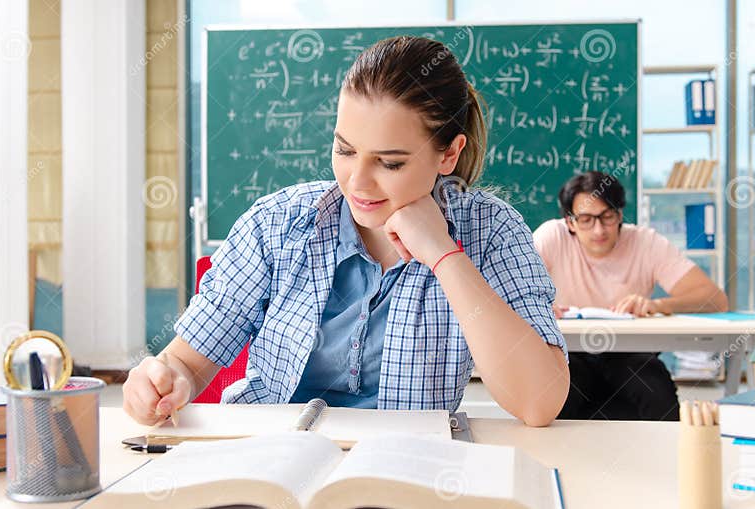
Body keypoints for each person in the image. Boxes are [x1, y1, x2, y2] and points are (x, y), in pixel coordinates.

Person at [123, 36, 569, 427]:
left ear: (448, 155)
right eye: (345, 149)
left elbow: (538, 403)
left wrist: (444, 255)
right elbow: (185, 361)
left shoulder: (491, 230)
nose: (357, 181)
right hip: (265, 460)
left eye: (390, 162)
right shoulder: (276, 223)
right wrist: (161, 381)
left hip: (407, 472)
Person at [533, 171, 728, 420]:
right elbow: (506, 291)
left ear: (620, 215)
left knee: (658, 395)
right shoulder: (551, 237)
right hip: (569, 354)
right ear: (570, 222)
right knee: (553, 398)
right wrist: (538, 306)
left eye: (607, 217)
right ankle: (554, 460)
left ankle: (666, 459)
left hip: (630, 352)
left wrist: (656, 304)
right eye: (586, 220)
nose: (598, 230)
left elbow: (714, 299)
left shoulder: (645, 242)